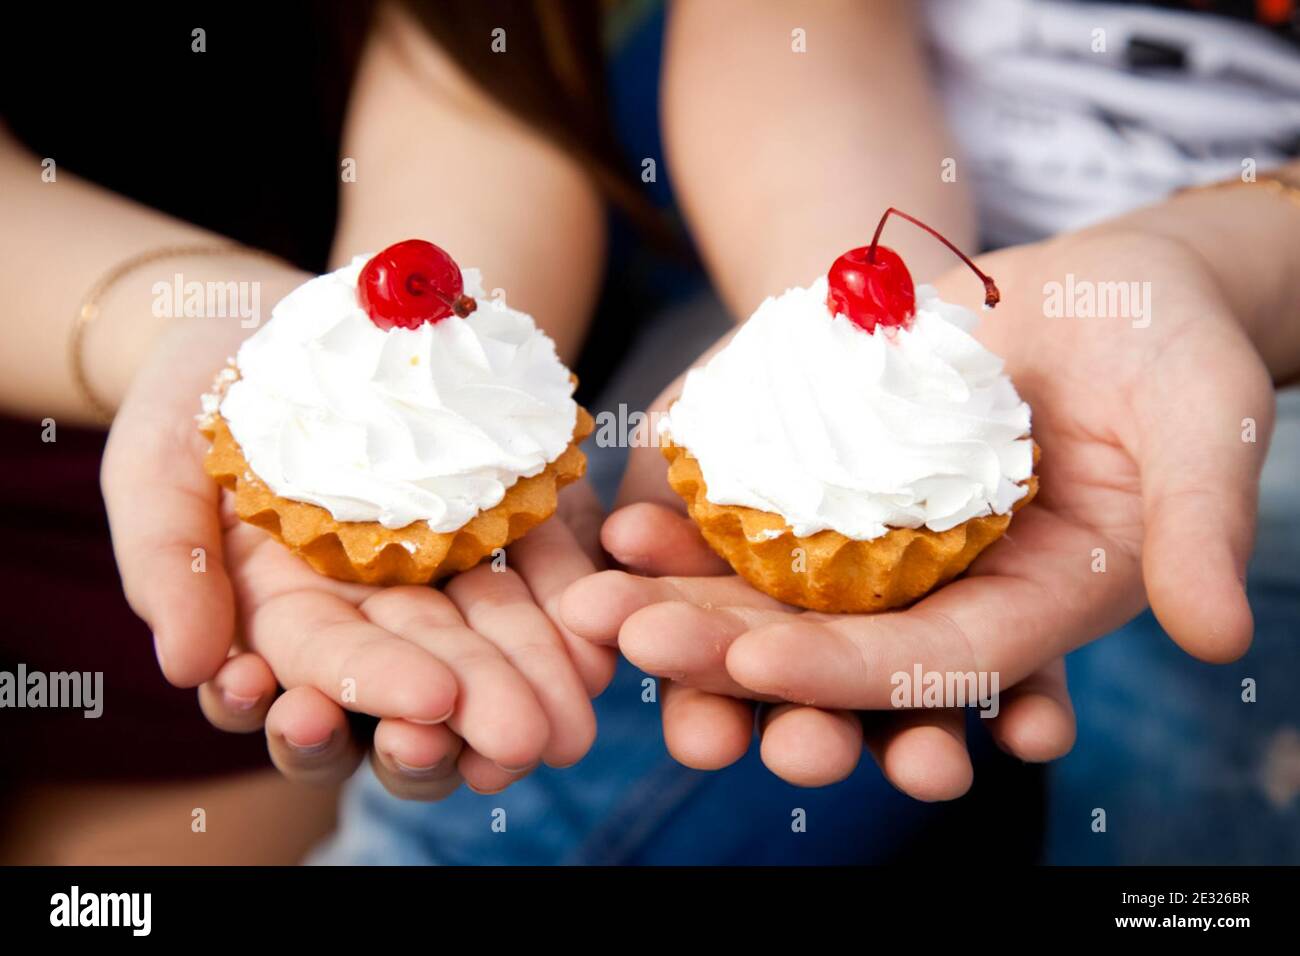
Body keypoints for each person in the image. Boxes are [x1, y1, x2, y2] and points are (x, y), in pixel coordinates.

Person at [2, 0, 1295, 865]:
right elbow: (785, 43)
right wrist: (824, 351)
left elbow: (485, 63)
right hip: (840, 264)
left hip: (1181, 335)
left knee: (1192, 777)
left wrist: (1230, 263)